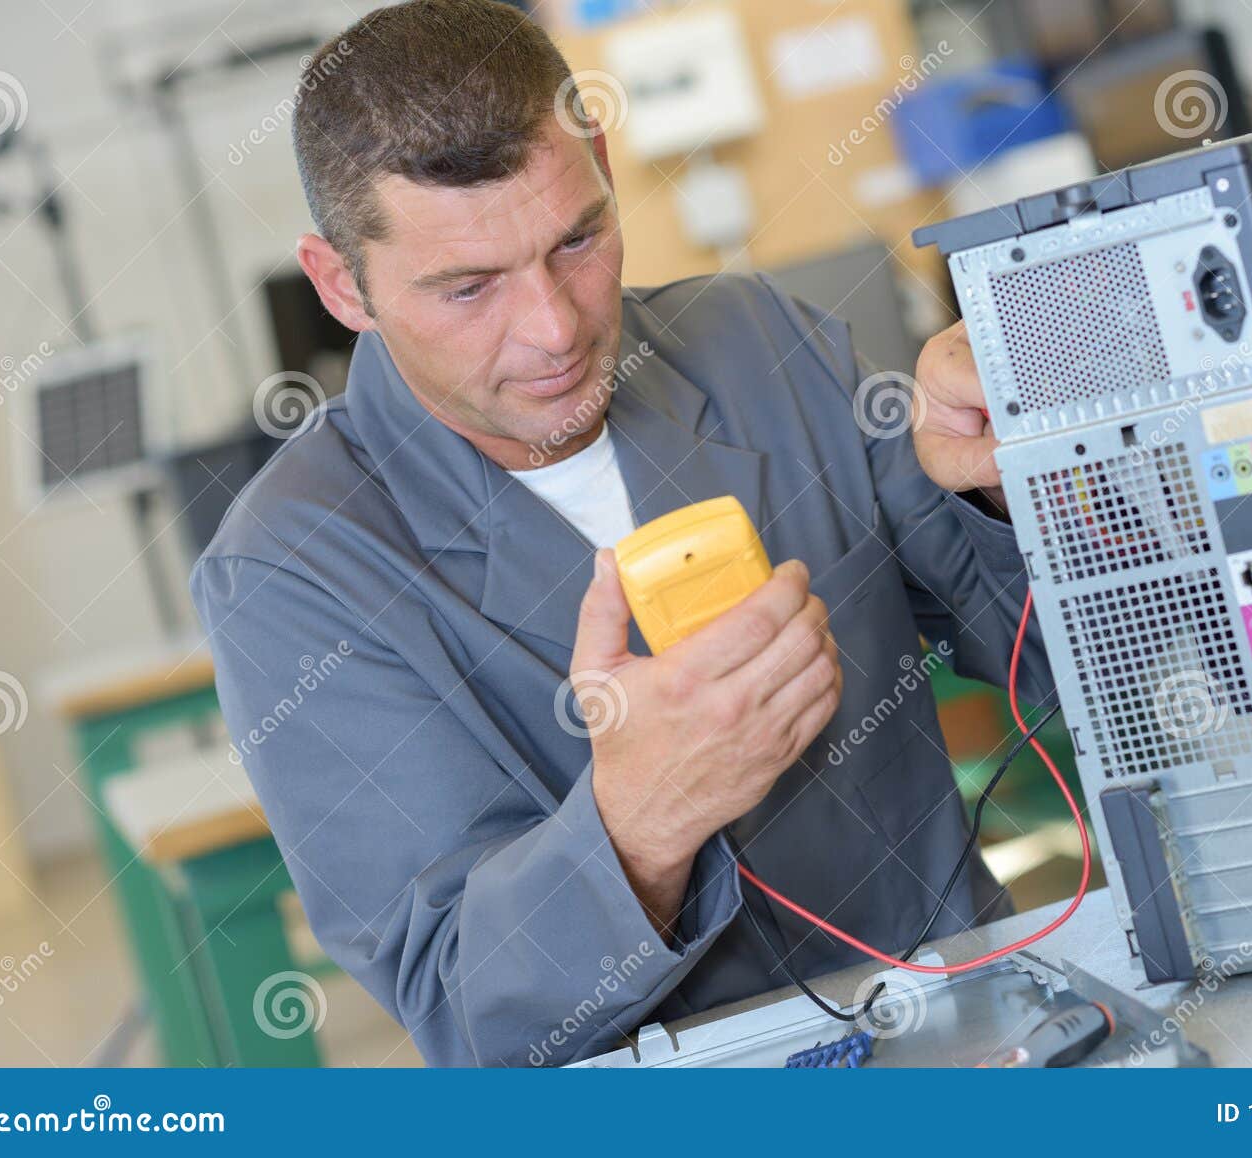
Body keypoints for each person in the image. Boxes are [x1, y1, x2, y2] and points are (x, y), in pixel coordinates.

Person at [191, 0, 1050, 1066]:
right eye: (467, 288)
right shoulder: (292, 568)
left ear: (598, 159)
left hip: (984, 1033)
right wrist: (636, 828)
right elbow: (470, 1021)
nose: (553, 328)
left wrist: (1012, 492)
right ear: (341, 286)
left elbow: (1062, 662)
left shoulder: (755, 342)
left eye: (578, 238)